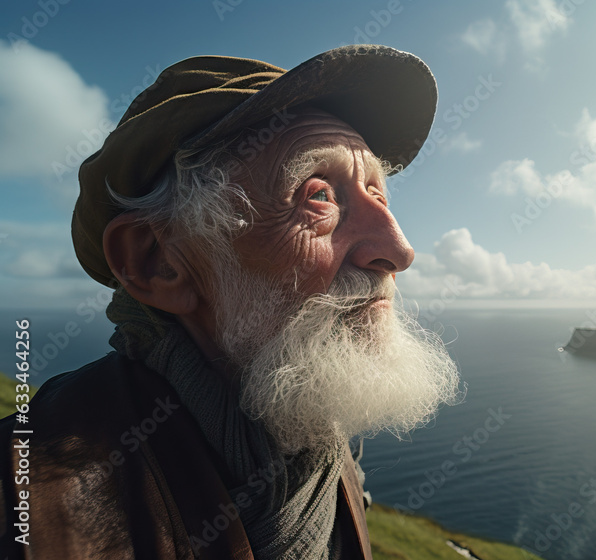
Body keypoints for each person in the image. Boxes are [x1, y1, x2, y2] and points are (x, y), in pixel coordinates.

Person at [0, 45, 462, 559]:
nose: (400, 250)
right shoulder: (20, 505)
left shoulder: (319, 431)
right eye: (319, 196)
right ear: (158, 262)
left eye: (378, 194)